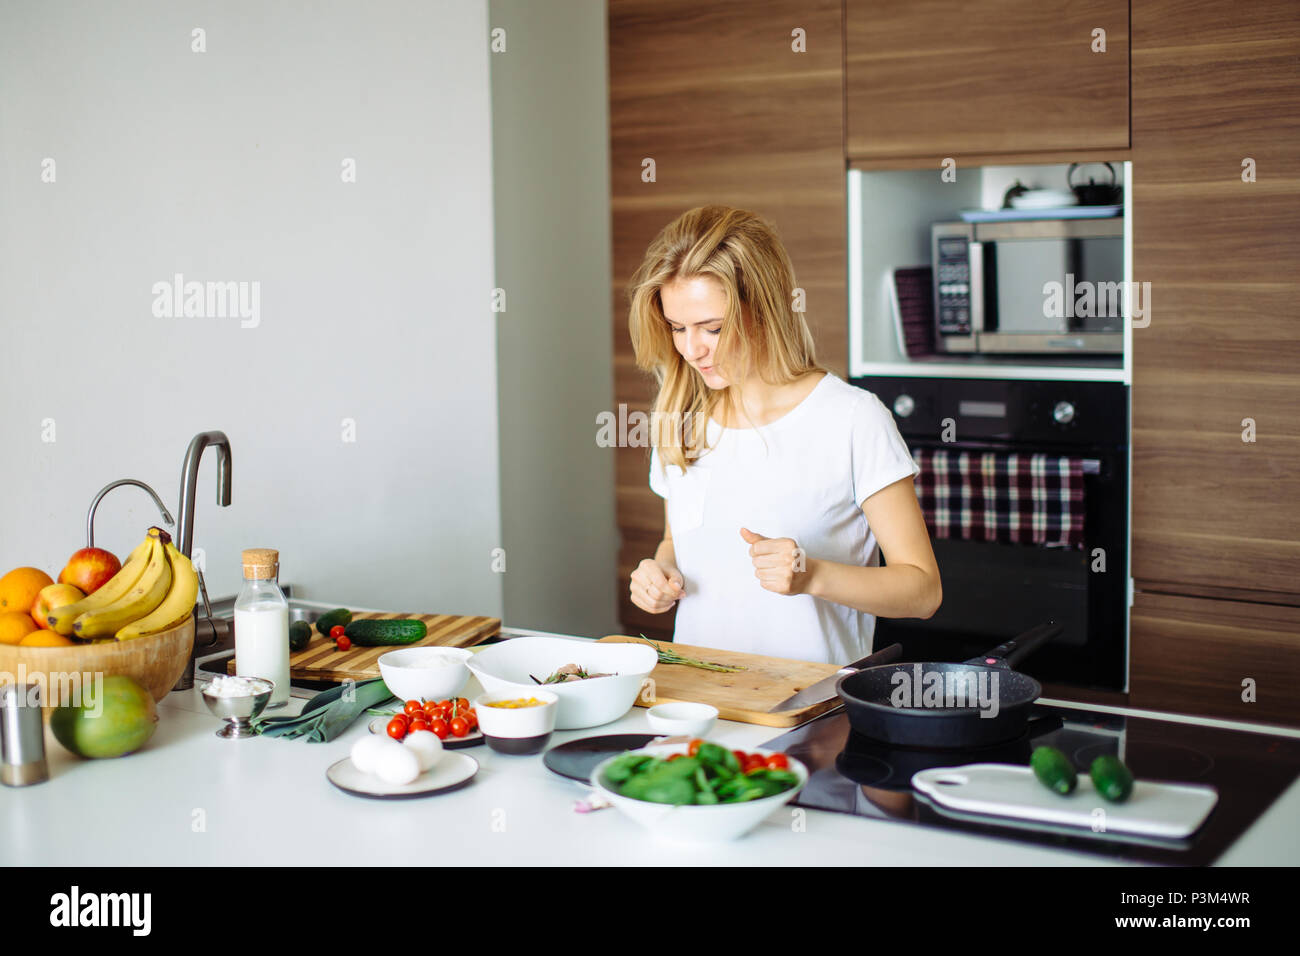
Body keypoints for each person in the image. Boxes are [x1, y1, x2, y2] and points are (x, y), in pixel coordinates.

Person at [627, 205, 940, 664]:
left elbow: (923, 589)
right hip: (695, 704)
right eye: (677, 327)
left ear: (765, 310)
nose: (692, 349)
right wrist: (661, 573)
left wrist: (812, 576)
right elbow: (677, 541)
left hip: (809, 712)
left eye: (712, 328)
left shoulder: (852, 419)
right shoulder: (682, 419)